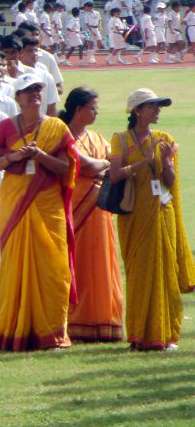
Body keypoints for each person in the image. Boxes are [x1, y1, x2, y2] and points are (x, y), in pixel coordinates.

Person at [0, 72, 77, 351]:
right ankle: (16, 330)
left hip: (48, 202)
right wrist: (12, 157)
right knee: (16, 265)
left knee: (54, 267)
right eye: (28, 90)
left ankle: (52, 333)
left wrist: (40, 156)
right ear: (18, 98)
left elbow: (66, 168)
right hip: (16, 201)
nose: (35, 94)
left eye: (38, 89)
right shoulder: (5, 127)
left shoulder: (57, 128)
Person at [109, 89, 195, 350]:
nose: (158, 110)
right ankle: (138, 334)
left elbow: (170, 182)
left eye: (159, 106)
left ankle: (167, 334)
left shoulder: (164, 139)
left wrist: (167, 161)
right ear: (137, 110)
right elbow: (114, 176)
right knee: (139, 273)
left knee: (166, 271)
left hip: (162, 213)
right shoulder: (121, 140)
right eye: (152, 106)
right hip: (136, 215)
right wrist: (143, 162)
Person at [57, 88, 123, 343]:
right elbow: (86, 165)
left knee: (101, 264)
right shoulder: (64, 136)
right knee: (78, 265)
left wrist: (103, 165)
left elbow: (111, 162)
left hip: (99, 212)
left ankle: (102, 321)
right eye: (93, 107)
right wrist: (103, 165)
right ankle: (75, 322)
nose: (96, 112)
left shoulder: (96, 137)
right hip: (75, 210)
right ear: (78, 109)